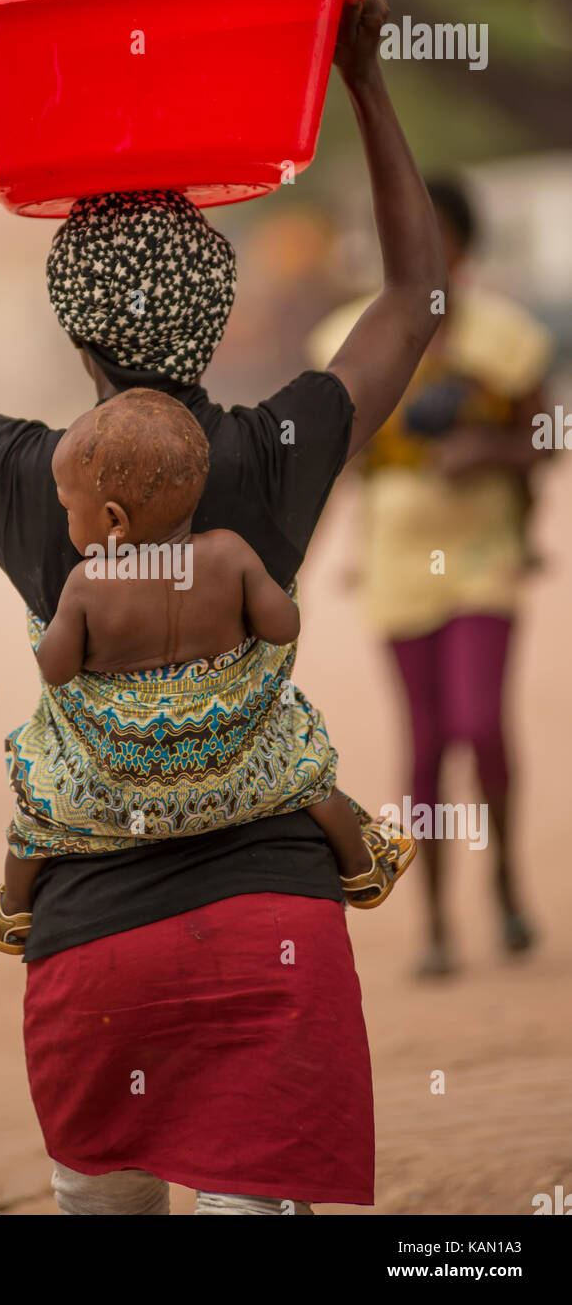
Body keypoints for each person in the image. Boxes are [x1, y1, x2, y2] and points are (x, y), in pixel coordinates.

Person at [0, 0, 447, 1213]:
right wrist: (365, 85)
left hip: (92, 940)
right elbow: (413, 298)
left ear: (69, 319)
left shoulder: (27, 479)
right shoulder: (286, 446)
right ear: (219, 311)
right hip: (277, 925)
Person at [0, 388, 414, 952]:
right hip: (236, 773)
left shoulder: (88, 585)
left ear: (112, 521)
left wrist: (51, 631)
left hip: (115, 788)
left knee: (40, 813)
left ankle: (13, 913)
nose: (65, 515)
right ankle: (363, 868)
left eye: (69, 507)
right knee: (304, 771)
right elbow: (283, 627)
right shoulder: (229, 555)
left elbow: (58, 670)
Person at [308, 176, 554, 979]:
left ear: (464, 245)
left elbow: (544, 437)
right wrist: (293, 567)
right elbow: (327, 465)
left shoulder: (509, 340)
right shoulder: (346, 342)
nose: (420, 250)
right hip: (395, 559)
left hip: (483, 554)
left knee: (478, 723)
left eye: (435, 235)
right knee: (425, 743)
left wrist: (490, 451)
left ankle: (507, 882)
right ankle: (438, 924)